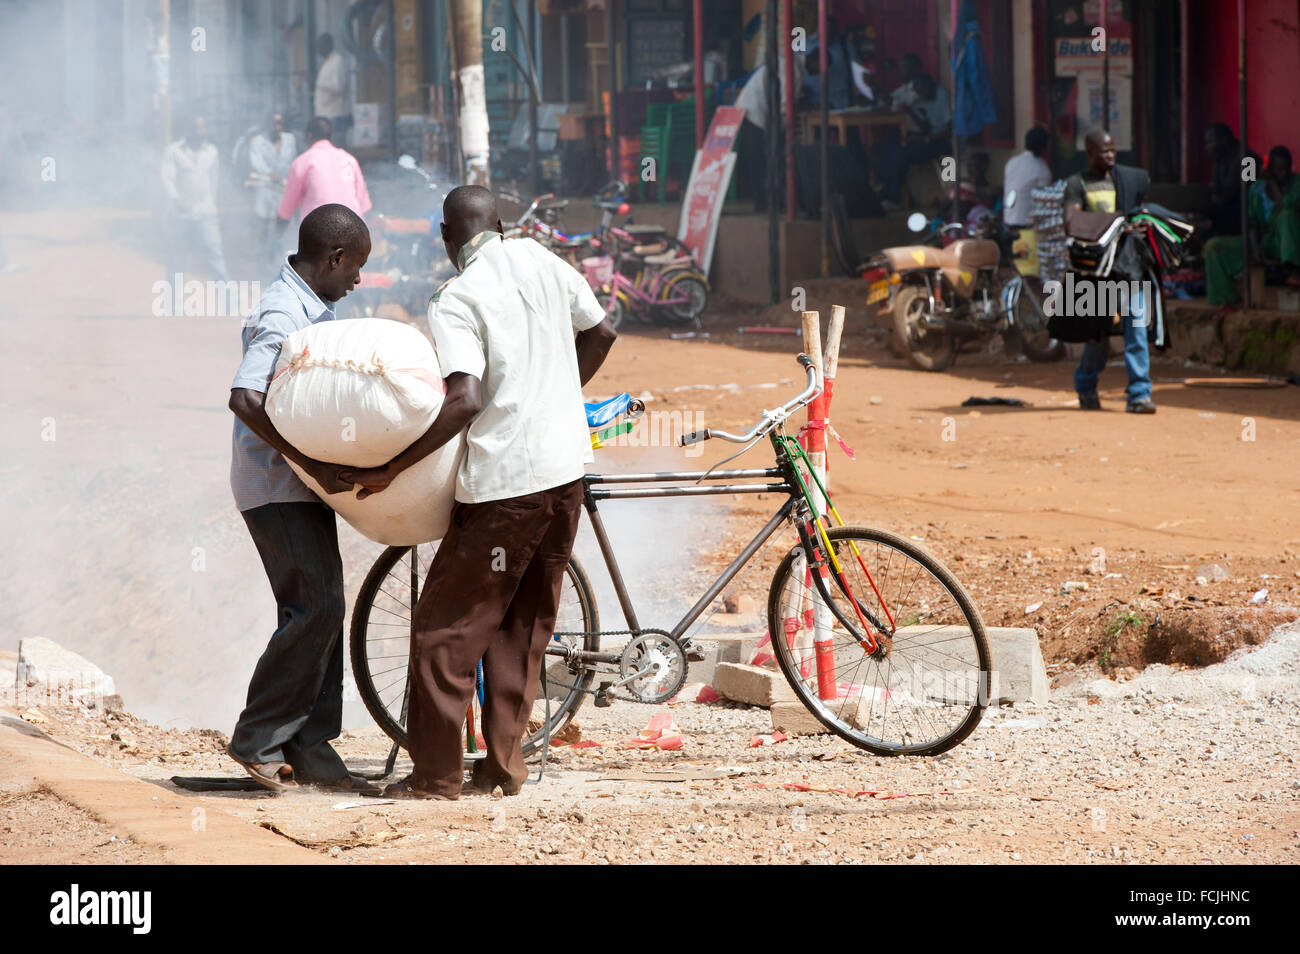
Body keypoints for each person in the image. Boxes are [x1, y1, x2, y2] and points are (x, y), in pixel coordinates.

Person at [343, 186, 618, 800]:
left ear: (447, 236)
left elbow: (464, 397)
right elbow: (603, 332)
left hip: (506, 489)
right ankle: (502, 766)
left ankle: (436, 778)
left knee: (445, 629)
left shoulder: (457, 297)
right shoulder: (546, 261)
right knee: (521, 626)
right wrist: (555, 399)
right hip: (566, 474)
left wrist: (392, 466)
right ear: (501, 224)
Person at [226, 203, 379, 795]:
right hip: (276, 486)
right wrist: (313, 461)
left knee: (325, 609)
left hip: (297, 484)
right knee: (312, 609)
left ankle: (313, 750)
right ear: (334, 257)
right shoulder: (282, 312)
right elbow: (244, 396)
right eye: (355, 267)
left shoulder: (309, 307)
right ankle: (258, 739)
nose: (358, 280)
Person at [1064, 127, 1154, 414]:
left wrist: (1140, 224)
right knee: (1098, 335)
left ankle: (1139, 394)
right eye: (1104, 151)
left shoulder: (1126, 179)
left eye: (1113, 149)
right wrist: (1115, 223)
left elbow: (1138, 210)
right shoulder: (1078, 183)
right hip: (1098, 271)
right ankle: (1085, 386)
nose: (1111, 155)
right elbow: (1072, 220)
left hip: (1130, 265)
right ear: (1090, 153)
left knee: (1136, 328)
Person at [1204, 145, 1300, 304]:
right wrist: (1255, 249)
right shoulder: (1256, 188)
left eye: (1286, 168)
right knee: (1213, 247)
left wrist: (1273, 183)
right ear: (1269, 168)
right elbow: (1252, 222)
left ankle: (1294, 271)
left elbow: (1285, 206)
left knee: (1287, 215)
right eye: (1278, 169)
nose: (1283, 173)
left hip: (1285, 242)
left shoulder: (1296, 184)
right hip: (1262, 242)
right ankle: (1225, 299)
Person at [161, 114, 229, 281]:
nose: (199, 131)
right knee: (177, 261)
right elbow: (167, 179)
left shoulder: (212, 151)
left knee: (215, 255)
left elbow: (214, 180)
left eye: (202, 128)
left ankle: (228, 303)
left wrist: (212, 203)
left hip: (206, 212)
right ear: (187, 129)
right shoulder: (174, 151)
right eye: (195, 128)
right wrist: (177, 201)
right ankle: (174, 306)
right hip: (180, 215)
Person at [871, 72, 951, 208]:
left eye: (919, 92)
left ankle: (892, 198)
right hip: (925, 137)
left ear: (927, 87)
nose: (917, 95)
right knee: (887, 145)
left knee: (902, 155)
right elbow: (923, 124)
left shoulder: (942, 96)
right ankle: (884, 192)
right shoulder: (920, 99)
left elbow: (949, 131)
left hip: (942, 142)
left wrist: (924, 138)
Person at [277, 117, 371, 225]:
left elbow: (287, 209)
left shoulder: (302, 162)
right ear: (330, 136)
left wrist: (275, 236)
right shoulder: (349, 160)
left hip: (320, 232)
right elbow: (363, 205)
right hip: (353, 231)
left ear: (308, 136)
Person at [247, 111, 295, 261]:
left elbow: (292, 162)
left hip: (284, 189)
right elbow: (257, 163)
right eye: (274, 123)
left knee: (283, 228)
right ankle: (264, 261)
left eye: (279, 123)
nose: (276, 127)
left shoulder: (289, 139)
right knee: (265, 228)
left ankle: (282, 259)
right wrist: (270, 173)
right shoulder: (257, 141)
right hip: (265, 189)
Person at [1204, 121, 1258, 238]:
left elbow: (1228, 195)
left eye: (1210, 142)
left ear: (1224, 139)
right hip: (1231, 210)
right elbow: (1216, 191)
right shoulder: (1220, 158)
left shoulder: (1248, 160)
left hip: (1247, 216)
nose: (1207, 147)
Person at [1003, 126, 1053, 228]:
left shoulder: (1012, 162)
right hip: (1026, 224)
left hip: (1008, 219)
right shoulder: (1041, 168)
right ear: (1044, 147)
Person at [314, 33, 351, 146]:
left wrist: (319, 84)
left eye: (320, 46)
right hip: (325, 115)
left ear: (328, 45)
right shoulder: (327, 62)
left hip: (335, 115)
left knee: (336, 147)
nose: (318, 50)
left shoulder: (337, 61)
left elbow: (339, 86)